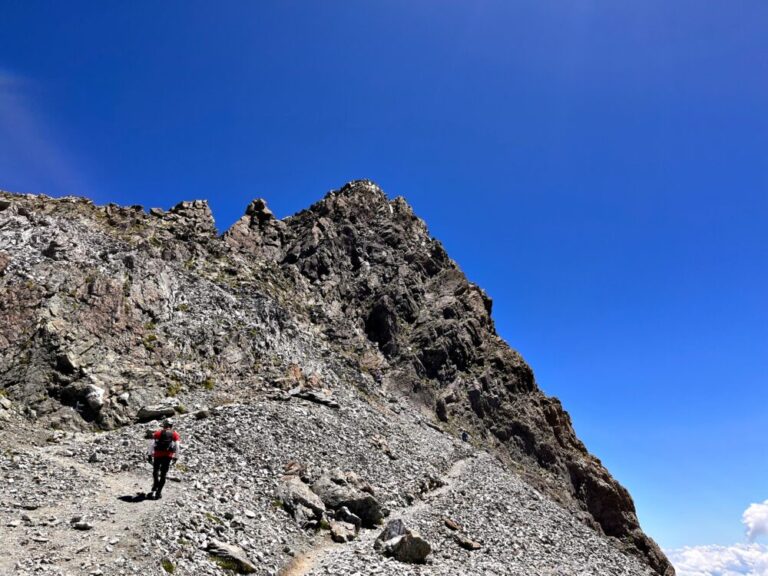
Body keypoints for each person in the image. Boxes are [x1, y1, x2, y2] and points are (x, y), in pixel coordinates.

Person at [147, 419, 180, 500]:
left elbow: (151, 444)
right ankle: (159, 492)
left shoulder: (157, 433)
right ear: (171, 426)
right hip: (168, 456)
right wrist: (176, 456)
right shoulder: (175, 434)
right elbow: (177, 446)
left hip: (157, 455)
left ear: (164, 425)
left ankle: (155, 486)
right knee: (163, 474)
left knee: (155, 471)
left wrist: (149, 454)